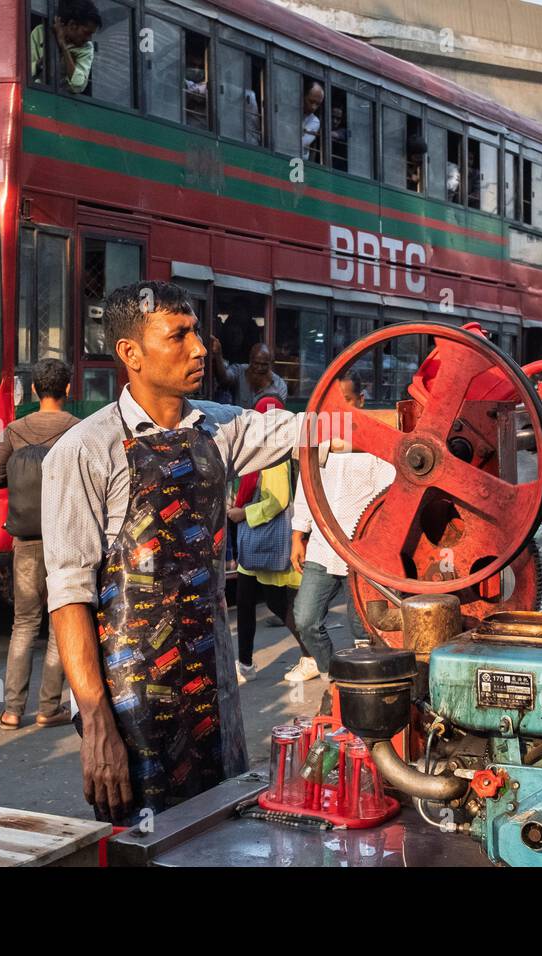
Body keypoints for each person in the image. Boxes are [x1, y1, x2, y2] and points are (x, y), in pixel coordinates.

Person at [41, 280, 337, 825]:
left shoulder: (219, 427)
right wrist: (97, 722)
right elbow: (68, 594)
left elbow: (313, 430)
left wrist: (400, 427)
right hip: (134, 704)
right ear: (130, 353)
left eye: (196, 333)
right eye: (177, 336)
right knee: (146, 842)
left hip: (212, 689)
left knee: (219, 833)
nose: (199, 348)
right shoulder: (82, 451)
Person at [0, 359, 79, 730]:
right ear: (67, 389)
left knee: (23, 623)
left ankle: (10, 711)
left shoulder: (15, 430)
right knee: (59, 622)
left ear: (35, 390)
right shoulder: (77, 429)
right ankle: (47, 708)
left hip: (25, 538)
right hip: (65, 539)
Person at [288, 371, 396, 681]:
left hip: (363, 550)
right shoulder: (321, 439)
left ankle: (366, 684)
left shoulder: (376, 443)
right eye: (334, 403)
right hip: (323, 545)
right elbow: (307, 487)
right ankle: (331, 675)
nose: (339, 409)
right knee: (305, 618)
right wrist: (299, 533)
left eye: (346, 401)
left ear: (361, 401)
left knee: (363, 626)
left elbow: (385, 500)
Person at [230, 394, 302, 683]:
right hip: (255, 541)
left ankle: (313, 655)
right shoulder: (258, 450)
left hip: (264, 538)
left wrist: (242, 514)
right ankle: (245, 664)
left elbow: (278, 500)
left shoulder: (274, 452)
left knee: (275, 602)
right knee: (249, 602)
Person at [30, 0, 100, 93]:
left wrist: (63, 46)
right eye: (86, 33)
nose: (89, 39)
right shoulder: (40, 32)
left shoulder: (86, 48)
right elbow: (26, 71)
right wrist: (43, 61)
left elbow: (78, 85)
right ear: (72, 25)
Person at [211, 339, 288, 407]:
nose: (259, 368)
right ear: (250, 360)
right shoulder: (239, 371)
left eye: (264, 365)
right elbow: (224, 379)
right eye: (256, 363)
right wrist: (218, 354)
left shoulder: (280, 386)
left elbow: (277, 414)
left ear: (271, 364)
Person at [302, 81, 324, 162]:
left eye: (317, 104)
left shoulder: (315, 121)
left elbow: (301, 143)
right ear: (303, 96)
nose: (313, 107)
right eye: (311, 101)